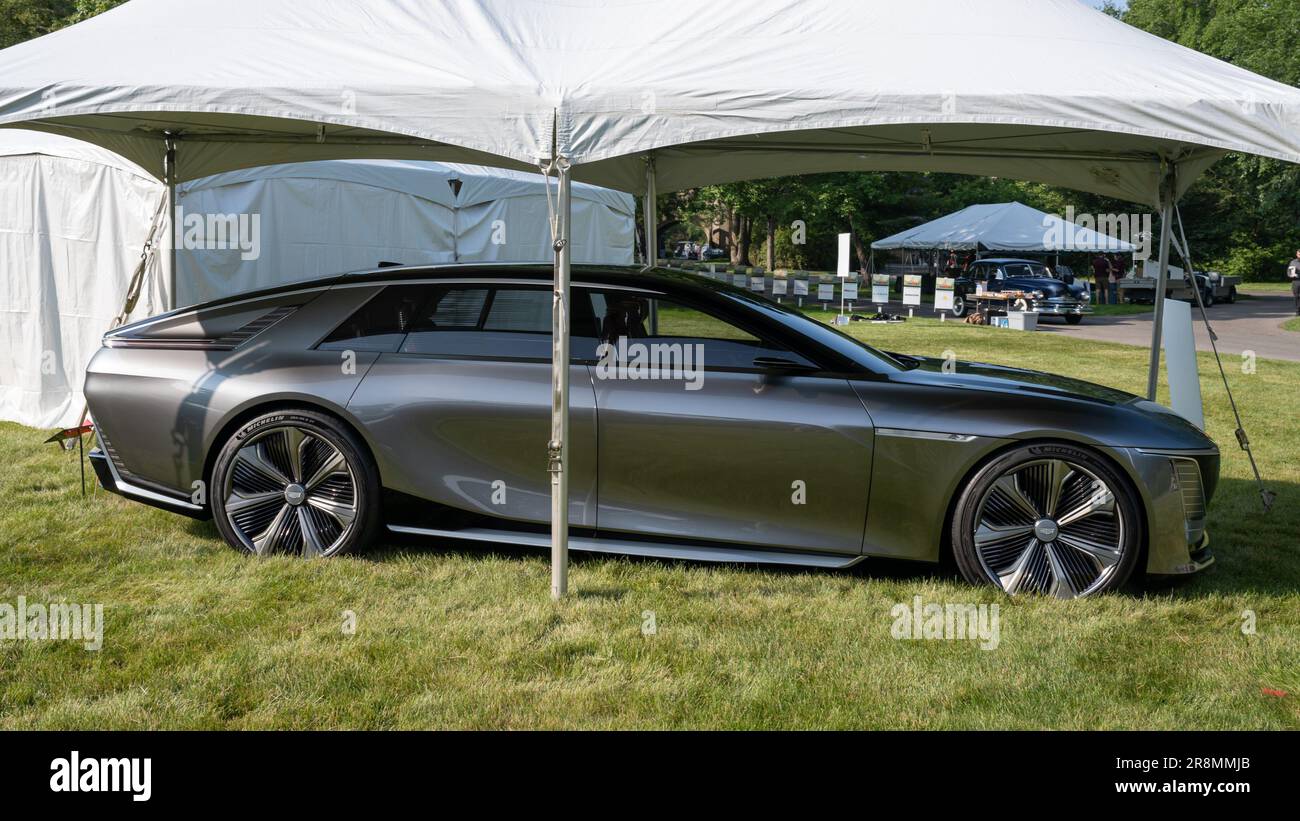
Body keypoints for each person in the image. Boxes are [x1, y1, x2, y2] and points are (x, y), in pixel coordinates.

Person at [1289, 249, 1300, 315]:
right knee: (1296, 296)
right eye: (1299, 254)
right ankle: (1297, 311)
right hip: (1296, 281)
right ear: (1297, 254)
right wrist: (1291, 275)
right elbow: (1289, 271)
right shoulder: (1293, 262)